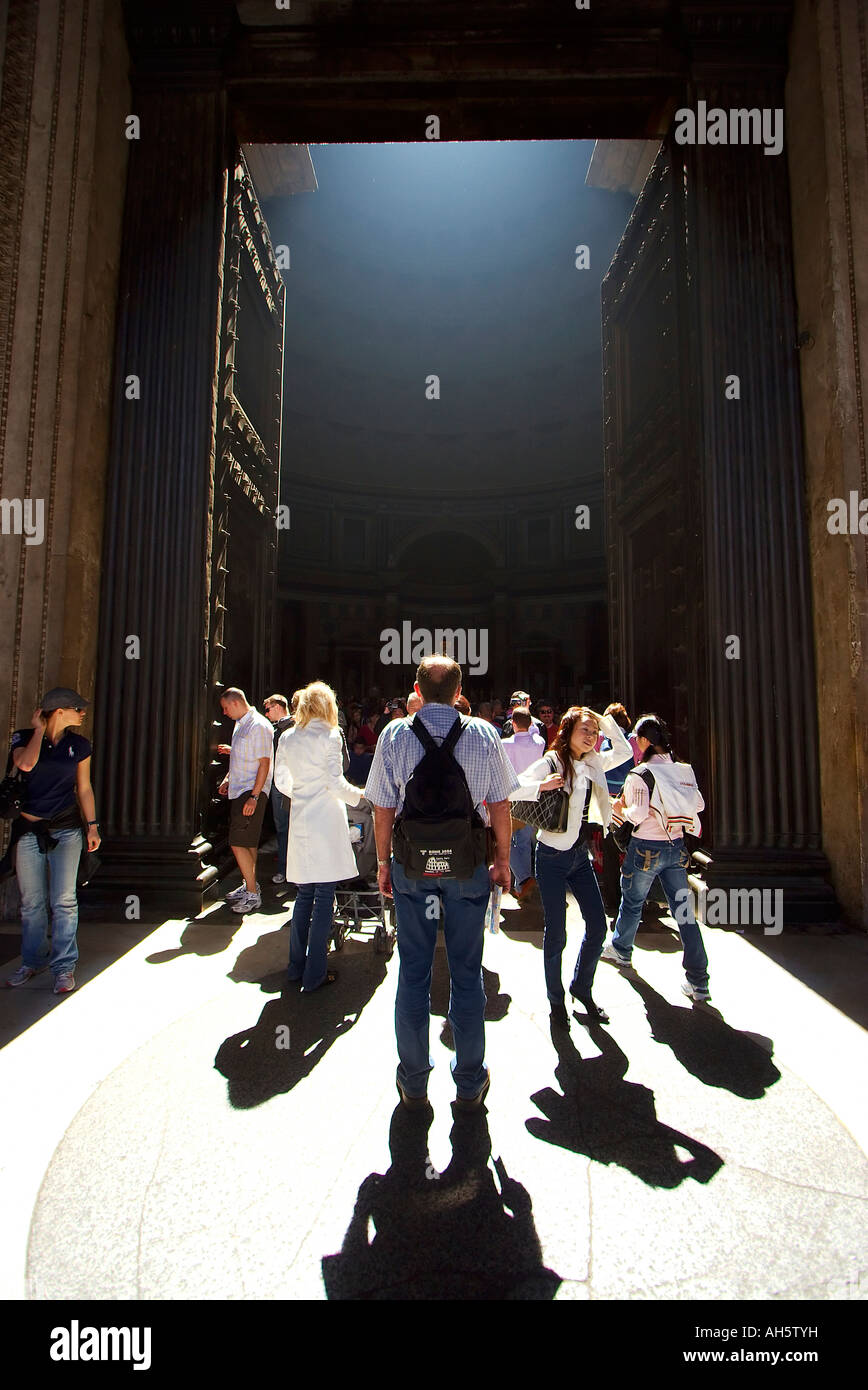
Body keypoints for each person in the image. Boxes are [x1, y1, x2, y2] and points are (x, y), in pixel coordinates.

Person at [366, 655, 517, 1110]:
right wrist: (504, 862)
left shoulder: (394, 734)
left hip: (413, 865)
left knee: (412, 973)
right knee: (467, 974)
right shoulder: (485, 733)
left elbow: (382, 807)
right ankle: (469, 1083)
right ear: (457, 691)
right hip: (467, 865)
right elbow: (502, 806)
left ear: (417, 688)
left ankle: (413, 1081)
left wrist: (382, 861)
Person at [512, 706, 632, 1026]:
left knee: (597, 926)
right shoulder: (550, 762)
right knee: (556, 935)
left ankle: (582, 987)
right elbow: (511, 788)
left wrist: (601, 718)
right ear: (568, 732)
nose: (592, 736)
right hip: (550, 859)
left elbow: (623, 749)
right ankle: (556, 1002)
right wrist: (542, 786)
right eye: (585, 730)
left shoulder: (594, 763)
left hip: (579, 856)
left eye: (594, 731)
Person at [602, 714, 710, 1002]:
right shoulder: (684, 770)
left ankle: (622, 949)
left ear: (646, 741)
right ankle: (699, 980)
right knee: (684, 913)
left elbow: (635, 815)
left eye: (637, 739)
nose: (635, 745)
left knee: (633, 901)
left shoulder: (640, 774)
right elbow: (698, 803)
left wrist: (618, 807)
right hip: (676, 846)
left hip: (645, 847)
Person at [3, 688, 100, 995]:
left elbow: (83, 789)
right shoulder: (22, 738)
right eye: (77, 709)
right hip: (29, 830)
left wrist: (93, 827)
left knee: (64, 901)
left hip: (66, 830)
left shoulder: (79, 745)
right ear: (58, 711)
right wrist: (39, 731)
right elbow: (27, 765)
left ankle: (63, 967)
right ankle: (32, 960)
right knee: (31, 903)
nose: (82, 713)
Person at [273, 681, 365, 991]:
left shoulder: (287, 737)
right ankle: (315, 974)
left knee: (304, 895)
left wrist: (302, 793)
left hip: (301, 819)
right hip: (326, 820)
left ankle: (296, 967)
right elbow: (335, 783)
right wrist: (362, 797)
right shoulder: (329, 735)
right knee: (324, 895)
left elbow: (281, 780)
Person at [218, 687, 273, 914]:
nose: (224, 713)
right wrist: (228, 778)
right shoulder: (242, 724)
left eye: (224, 708)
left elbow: (264, 763)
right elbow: (243, 757)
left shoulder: (258, 725)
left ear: (235, 703)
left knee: (237, 841)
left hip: (250, 791)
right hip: (242, 789)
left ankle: (252, 892)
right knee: (247, 842)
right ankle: (250, 886)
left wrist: (254, 796)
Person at [502, 707, 545, 900]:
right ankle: (522, 883)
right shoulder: (539, 743)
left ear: (513, 724)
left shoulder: (506, 744)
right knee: (524, 842)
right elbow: (535, 730)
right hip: (532, 797)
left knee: (504, 843)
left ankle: (523, 878)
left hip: (513, 797)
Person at [264, 694, 293, 885]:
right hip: (278, 784)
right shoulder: (272, 729)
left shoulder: (293, 727)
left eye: (268, 709)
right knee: (282, 828)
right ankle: (284, 868)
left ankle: (292, 870)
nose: (266, 714)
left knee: (294, 827)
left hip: (293, 783)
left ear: (278, 706)